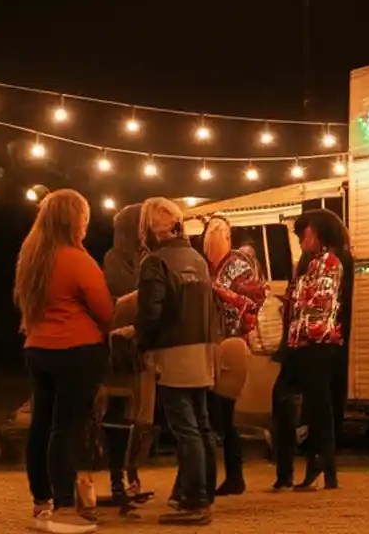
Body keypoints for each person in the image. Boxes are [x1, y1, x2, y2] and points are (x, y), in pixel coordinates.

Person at [14, 189, 112, 534]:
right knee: (65, 428)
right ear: (74, 220)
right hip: (76, 351)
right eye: (84, 218)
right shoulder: (76, 259)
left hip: (37, 350)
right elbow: (104, 311)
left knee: (42, 425)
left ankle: (41, 502)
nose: (86, 225)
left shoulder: (31, 257)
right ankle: (66, 507)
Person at [136, 197, 221, 526]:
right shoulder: (197, 259)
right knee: (201, 426)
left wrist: (141, 342)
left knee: (186, 429)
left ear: (150, 228)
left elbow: (151, 312)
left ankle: (195, 500)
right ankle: (199, 493)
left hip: (173, 351)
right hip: (203, 348)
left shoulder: (155, 263)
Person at [272, 209, 352, 492]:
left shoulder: (329, 262)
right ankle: (306, 469)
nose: (301, 239)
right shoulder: (309, 262)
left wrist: (297, 302)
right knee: (307, 405)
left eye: (305, 233)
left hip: (315, 344)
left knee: (318, 407)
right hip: (301, 343)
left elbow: (320, 305)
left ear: (317, 232)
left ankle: (316, 468)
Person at [202, 216, 268, 496]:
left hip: (232, 342)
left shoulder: (237, 264)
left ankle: (233, 474)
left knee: (223, 412)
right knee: (217, 413)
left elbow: (254, 299)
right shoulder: (208, 266)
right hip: (213, 342)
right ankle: (229, 474)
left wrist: (220, 292)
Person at [98, 203, 153, 509]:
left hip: (142, 349)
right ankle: (118, 479)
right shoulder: (114, 258)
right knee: (120, 413)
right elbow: (126, 295)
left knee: (142, 418)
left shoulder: (148, 258)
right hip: (119, 350)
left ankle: (131, 475)